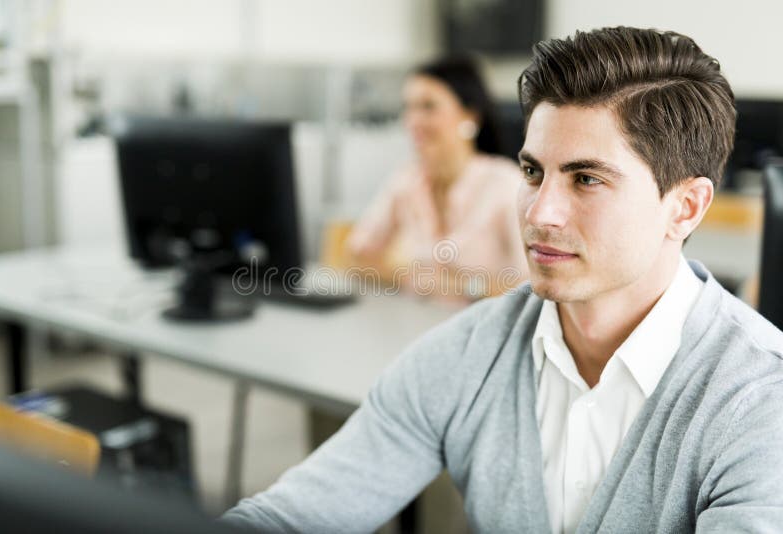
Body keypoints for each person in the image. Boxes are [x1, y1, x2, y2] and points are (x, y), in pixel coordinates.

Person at [222, 27, 783, 533]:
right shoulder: (465, 355)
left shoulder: (759, 400)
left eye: (586, 179)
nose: (540, 212)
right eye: (533, 172)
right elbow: (294, 514)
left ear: (686, 207)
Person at [345, 56, 528, 299]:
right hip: (421, 318)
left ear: (470, 116)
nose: (413, 121)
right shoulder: (407, 180)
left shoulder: (505, 184)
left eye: (428, 107)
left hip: (487, 320)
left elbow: (535, 286)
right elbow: (357, 256)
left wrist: (465, 288)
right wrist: (413, 279)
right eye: (409, 107)